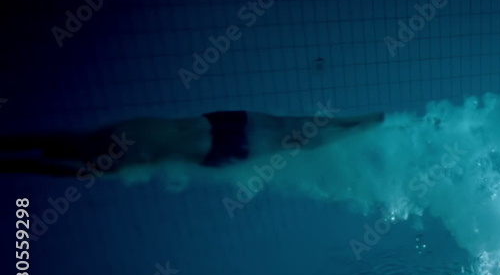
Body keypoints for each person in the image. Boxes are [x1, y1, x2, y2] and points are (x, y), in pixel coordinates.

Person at [0, 110, 385, 179]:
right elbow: (58, 159)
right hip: (221, 133)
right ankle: (374, 122)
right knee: (293, 133)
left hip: (219, 132)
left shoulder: (117, 143)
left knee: (293, 135)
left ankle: (371, 123)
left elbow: (58, 155)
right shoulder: (115, 155)